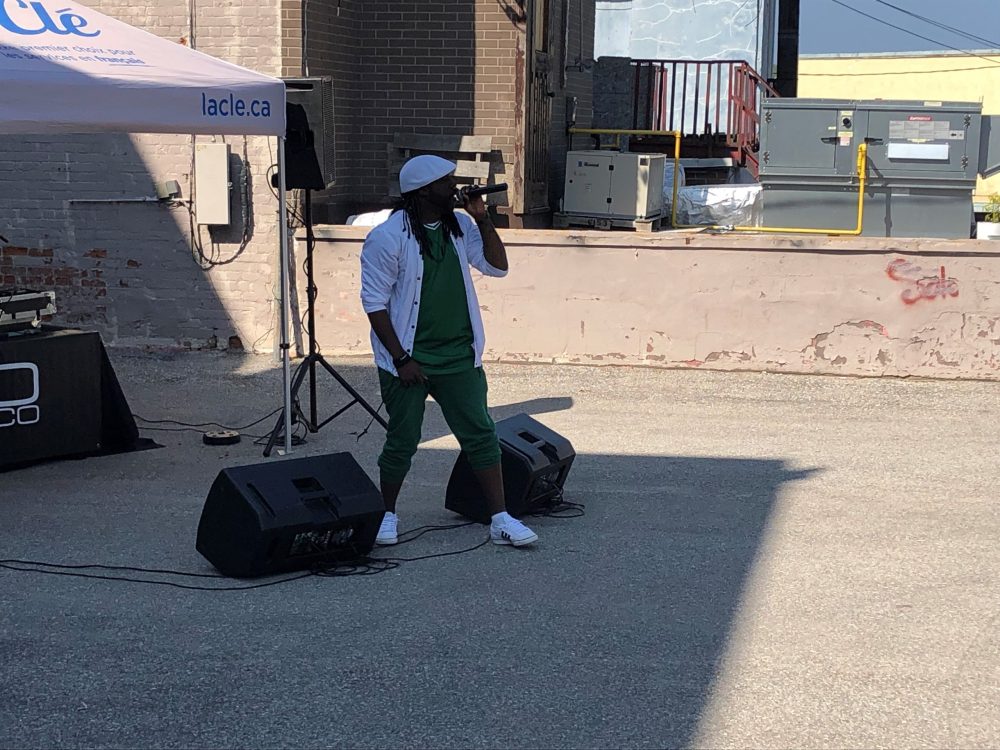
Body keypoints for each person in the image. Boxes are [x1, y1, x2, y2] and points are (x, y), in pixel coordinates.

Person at [359, 154, 538, 548]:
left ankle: (500, 518)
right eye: (447, 182)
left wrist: (482, 218)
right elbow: (373, 302)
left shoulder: (458, 227)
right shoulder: (388, 238)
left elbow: (497, 267)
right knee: (403, 439)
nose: (456, 188)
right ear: (424, 191)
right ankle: (386, 514)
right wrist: (401, 358)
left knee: (480, 434)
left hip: (458, 354)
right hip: (409, 358)